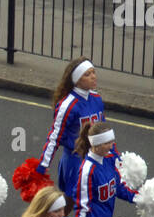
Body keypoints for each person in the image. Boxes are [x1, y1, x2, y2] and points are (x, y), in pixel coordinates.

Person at [37, 58, 105, 198]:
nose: (93, 76)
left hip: (95, 158)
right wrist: (43, 165)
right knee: (70, 202)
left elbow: (103, 132)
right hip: (75, 161)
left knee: (93, 201)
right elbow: (54, 136)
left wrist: (114, 156)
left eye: (93, 72)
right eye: (87, 74)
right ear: (77, 80)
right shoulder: (67, 105)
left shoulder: (97, 98)